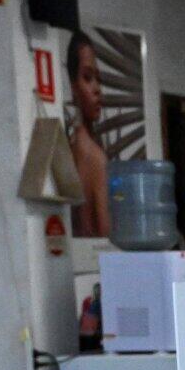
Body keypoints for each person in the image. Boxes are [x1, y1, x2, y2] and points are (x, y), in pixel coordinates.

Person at [65, 34, 110, 240]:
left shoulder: (67, 149)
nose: (97, 89)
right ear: (73, 85)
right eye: (87, 77)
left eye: (98, 80)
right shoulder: (96, 158)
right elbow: (105, 237)